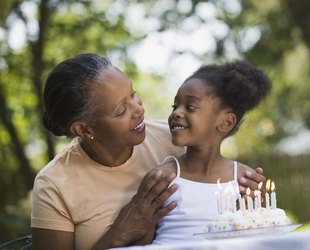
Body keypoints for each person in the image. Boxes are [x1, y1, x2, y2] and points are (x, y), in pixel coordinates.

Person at [31, 54, 266, 250]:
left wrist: (247, 196)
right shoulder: (55, 184)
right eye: (122, 109)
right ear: (83, 129)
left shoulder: (175, 138)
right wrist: (119, 234)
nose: (138, 109)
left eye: (132, 94)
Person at [152, 59, 272, 244]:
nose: (177, 113)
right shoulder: (163, 176)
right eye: (175, 106)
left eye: (190, 107)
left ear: (225, 122)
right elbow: (142, 240)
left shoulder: (243, 180)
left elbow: (260, 241)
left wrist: (259, 207)